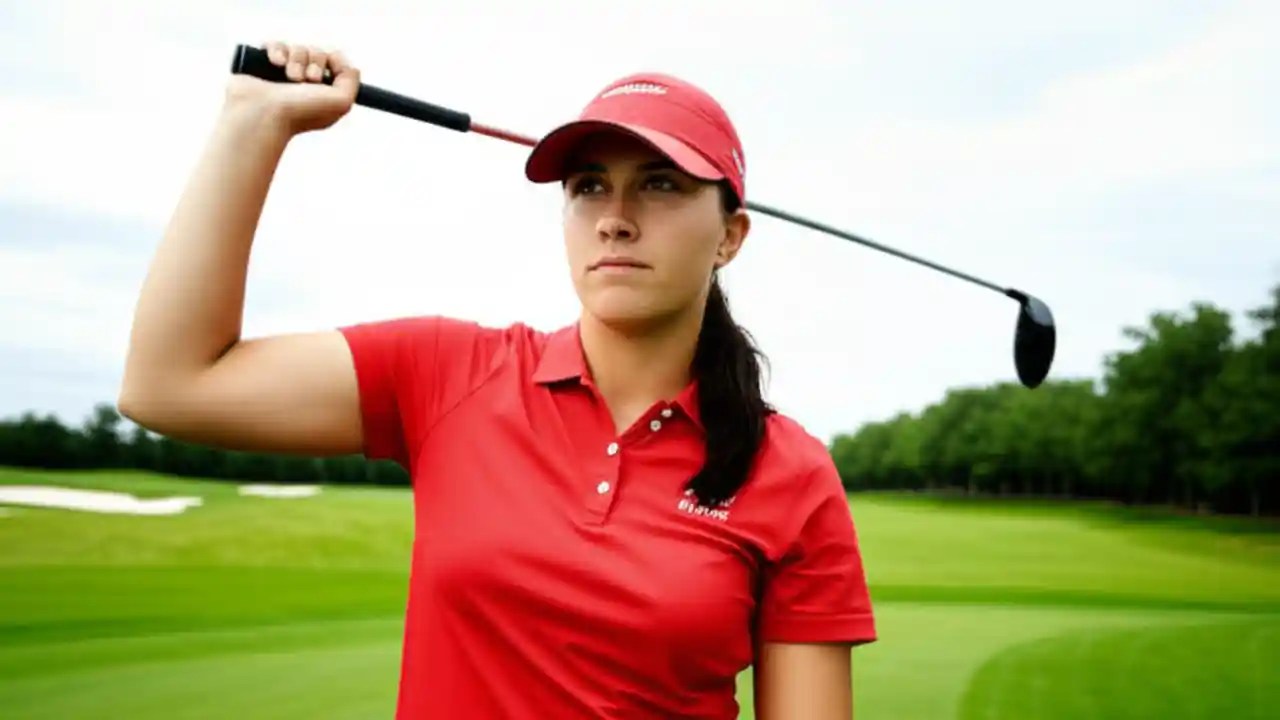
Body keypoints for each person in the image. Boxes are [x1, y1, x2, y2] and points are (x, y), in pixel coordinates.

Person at [118, 40, 877, 719]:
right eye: (588, 186)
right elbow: (170, 384)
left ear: (730, 236)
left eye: (661, 185)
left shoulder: (792, 474)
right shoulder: (448, 374)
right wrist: (253, 125)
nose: (615, 217)